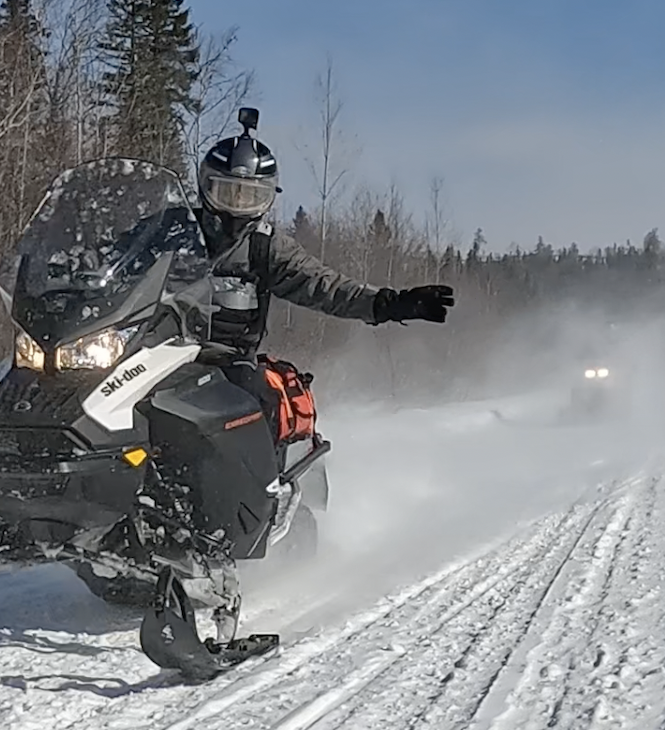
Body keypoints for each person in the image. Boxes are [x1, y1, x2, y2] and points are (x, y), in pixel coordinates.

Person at [161, 108, 455, 557]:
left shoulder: (265, 245)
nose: (236, 204)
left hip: (227, 360)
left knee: (249, 398)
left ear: (266, 199)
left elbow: (323, 285)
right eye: (227, 191)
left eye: (248, 195)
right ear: (205, 186)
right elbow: (121, 266)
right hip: (158, 351)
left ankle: (254, 507)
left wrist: (390, 303)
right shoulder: (174, 232)